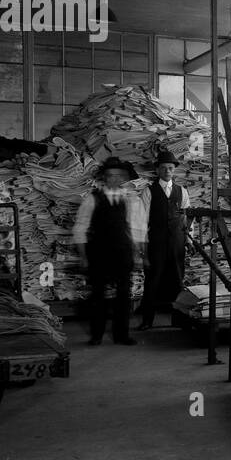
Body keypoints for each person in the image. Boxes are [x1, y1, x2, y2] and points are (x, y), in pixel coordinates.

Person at [72, 156, 147, 345]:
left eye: (118, 175)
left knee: (123, 296)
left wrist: (138, 255)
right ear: (104, 177)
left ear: (123, 178)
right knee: (97, 296)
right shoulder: (92, 199)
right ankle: (96, 335)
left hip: (123, 253)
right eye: (110, 175)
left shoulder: (132, 200)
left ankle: (121, 335)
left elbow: (138, 229)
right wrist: (83, 256)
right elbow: (80, 228)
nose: (114, 179)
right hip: (98, 253)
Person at [137, 148, 189, 330]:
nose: (167, 171)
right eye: (164, 168)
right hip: (156, 243)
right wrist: (142, 247)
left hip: (177, 242)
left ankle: (178, 320)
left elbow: (185, 218)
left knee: (177, 280)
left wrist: (188, 240)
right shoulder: (148, 191)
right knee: (152, 280)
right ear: (157, 170)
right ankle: (147, 320)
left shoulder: (181, 191)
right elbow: (142, 221)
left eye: (171, 168)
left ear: (174, 171)